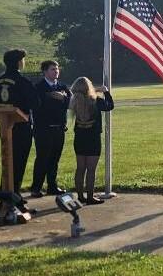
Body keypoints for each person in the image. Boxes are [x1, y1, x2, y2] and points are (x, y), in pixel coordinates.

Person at [0, 48, 39, 195]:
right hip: (21, 128)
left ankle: (5, 191)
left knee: (7, 163)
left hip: (5, 126)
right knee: (18, 163)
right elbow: (35, 103)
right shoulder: (22, 81)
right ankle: (14, 195)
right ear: (19, 62)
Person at [29, 60, 71, 198]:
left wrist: (63, 98)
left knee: (54, 159)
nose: (56, 71)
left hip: (59, 128)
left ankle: (52, 186)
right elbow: (37, 106)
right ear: (45, 72)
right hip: (43, 129)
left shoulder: (63, 87)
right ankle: (36, 188)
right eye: (53, 69)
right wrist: (54, 99)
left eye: (57, 69)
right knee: (42, 158)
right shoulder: (38, 87)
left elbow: (71, 103)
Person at [69, 76, 114, 204]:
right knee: (91, 169)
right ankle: (90, 196)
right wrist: (105, 91)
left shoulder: (74, 101)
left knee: (80, 168)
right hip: (93, 138)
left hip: (79, 137)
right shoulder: (96, 101)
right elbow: (109, 106)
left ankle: (80, 196)